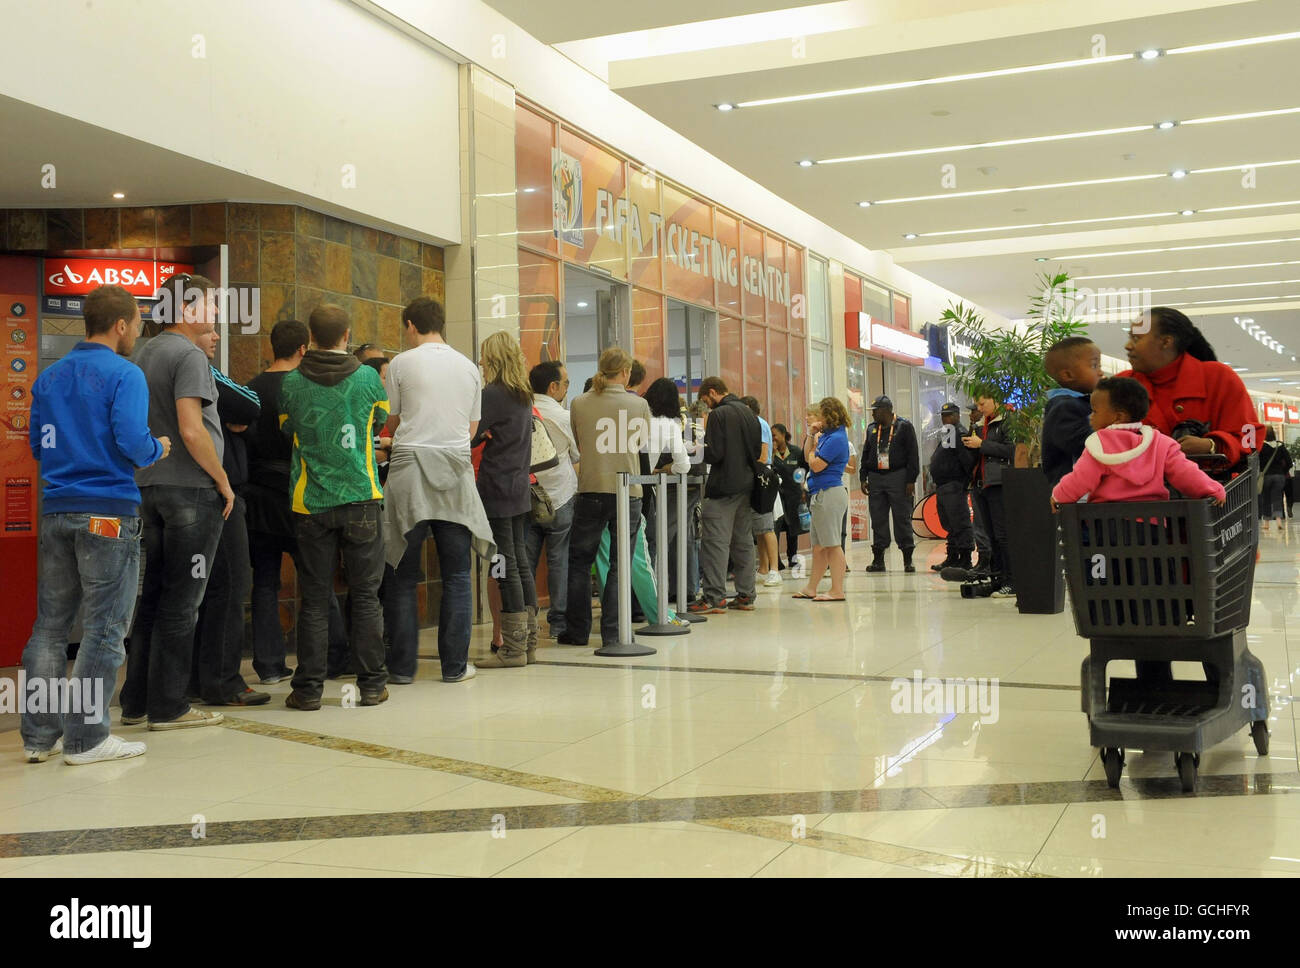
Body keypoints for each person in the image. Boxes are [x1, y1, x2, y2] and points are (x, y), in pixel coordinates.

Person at [21, 285, 170, 764]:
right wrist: (156, 450)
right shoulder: (126, 373)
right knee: (105, 627)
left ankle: (39, 738)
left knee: (50, 626)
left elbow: (39, 445)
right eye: (138, 324)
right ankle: (86, 739)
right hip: (108, 513)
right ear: (121, 324)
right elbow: (131, 439)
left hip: (56, 510)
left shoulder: (48, 377)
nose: (139, 333)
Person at [122, 273, 232, 731]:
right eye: (210, 307)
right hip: (190, 489)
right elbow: (191, 428)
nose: (216, 317)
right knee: (183, 600)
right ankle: (169, 707)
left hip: (149, 488)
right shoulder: (187, 354)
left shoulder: (143, 350)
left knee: (152, 597)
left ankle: (136, 702)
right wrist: (223, 480)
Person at [279, 304, 390, 710]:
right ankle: (373, 685)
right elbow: (378, 424)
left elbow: (287, 427)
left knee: (314, 598)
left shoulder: (292, 382)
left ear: (310, 338)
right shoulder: (367, 378)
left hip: (310, 503)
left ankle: (307, 689)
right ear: (347, 336)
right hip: (361, 496)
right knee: (365, 596)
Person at [382, 297, 493, 683]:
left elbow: (393, 422)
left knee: (401, 571)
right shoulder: (469, 368)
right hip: (454, 470)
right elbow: (472, 429)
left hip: (409, 467)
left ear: (411, 325)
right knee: (458, 574)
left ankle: (400, 669)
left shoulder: (400, 363)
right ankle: (454, 667)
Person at [244, 320, 348, 684]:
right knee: (317, 581)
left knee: (265, 582)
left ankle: (269, 666)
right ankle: (333, 657)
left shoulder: (250, 390)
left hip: (257, 497)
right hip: (299, 493)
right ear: (304, 350)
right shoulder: (304, 388)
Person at [190, 330, 269, 707]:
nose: (216, 335)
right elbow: (250, 404)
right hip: (218, 494)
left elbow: (243, 417)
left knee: (184, 592)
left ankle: (186, 681)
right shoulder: (198, 366)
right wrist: (232, 418)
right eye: (208, 327)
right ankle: (223, 680)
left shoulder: (148, 361)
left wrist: (231, 418)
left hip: (173, 491)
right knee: (231, 584)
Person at [561, 347, 652, 646]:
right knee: (619, 563)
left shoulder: (579, 402)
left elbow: (579, 441)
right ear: (625, 373)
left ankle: (576, 631)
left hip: (590, 488)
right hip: (627, 491)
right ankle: (613, 632)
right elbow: (641, 444)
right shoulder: (638, 405)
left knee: (579, 562)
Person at [595, 377, 690, 625]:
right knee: (640, 557)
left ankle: (613, 614)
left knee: (606, 555)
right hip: (639, 491)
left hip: (601, 487)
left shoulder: (623, 416)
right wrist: (662, 471)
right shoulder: (668, 425)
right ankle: (657, 614)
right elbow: (684, 465)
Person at [1119, 307, 1262, 468]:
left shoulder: (1218, 378)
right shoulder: (1122, 385)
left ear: (1166, 341)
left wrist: (1212, 445)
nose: (1128, 345)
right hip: (1137, 489)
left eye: (1136, 338)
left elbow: (1250, 436)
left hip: (1211, 488)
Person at [1051, 377, 1225, 507]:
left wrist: (1059, 496)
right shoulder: (1160, 442)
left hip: (1105, 526)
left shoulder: (1100, 445)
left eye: (1095, 411)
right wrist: (1213, 490)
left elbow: (1081, 479)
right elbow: (1186, 474)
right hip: (1153, 526)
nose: (1091, 417)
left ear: (1118, 417)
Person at [473, 331, 537, 668]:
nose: (480, 363)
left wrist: (479, 434)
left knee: (502, 564)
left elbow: (468, 433)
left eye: (484, 356)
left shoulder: (492, 394)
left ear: (494, 359)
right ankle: (528, 642)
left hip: (496, 489)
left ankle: (512, 649)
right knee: (520, 562)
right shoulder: (522, 394)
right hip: (518, 488)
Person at [689, 376, 761, 614]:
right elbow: (756, 450)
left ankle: (713, 597)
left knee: (715, 543)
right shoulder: (749, 413)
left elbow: (715, 453)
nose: (707, 405)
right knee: (743, 542)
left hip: (724, 487)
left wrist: (700, 448)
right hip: (747, 485)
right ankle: (746, 595)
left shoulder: (719, 414)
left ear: (712, 392)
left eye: (706, 400)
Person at [527, 360, 579, 639]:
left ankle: (525, 620)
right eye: (566, 383)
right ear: (553, 386)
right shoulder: (564, 417)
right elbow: (577, 454)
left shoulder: (522, 412)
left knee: (526, 561)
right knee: (560, 561)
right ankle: (558, 623)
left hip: (529, 495)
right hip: (560, 497)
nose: (567, 388)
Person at [792, 397, 851, 602]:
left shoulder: (836, 438)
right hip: (820, 494)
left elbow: (816, 465)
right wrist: (810, 437)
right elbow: (807, 455)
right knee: (819, 546)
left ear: (829, 416)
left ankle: (837, 589)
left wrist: (811, 453)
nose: (816, 419)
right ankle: (811, 587)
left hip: (829, 493)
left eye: (821, 415)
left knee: (833, 544)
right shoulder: (826, 435)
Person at [960, 394, 1016, 599]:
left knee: (1003, 535)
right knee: (990, 536)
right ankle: (997, 578)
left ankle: (1012, 581)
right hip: (981, 484)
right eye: (978, 404)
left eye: (983, 404)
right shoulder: (982, 424)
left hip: (999, 484)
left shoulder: (1009, 421)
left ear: (996, 400)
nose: (980, 408)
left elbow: (1013, 450)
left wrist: (981, 444)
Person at [860, 395, 920, 573]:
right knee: (878, 519)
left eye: (875, 411)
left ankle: (907, 560)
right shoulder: (872, 429)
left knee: (901, 518)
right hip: (876, 477)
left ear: (885, 411)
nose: (872, 415)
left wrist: (911, 480)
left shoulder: (904, 427)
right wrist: (863, 477)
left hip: (898, 476)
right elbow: (866, 454)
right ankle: (878, 560)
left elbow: (913, 455)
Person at [1042, 336, 1102, 486]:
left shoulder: (1082, 403)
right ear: (1068, 375)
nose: (1100, 372)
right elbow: (1086, 444)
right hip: (1074, 493)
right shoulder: (1063, 407)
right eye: (1094, 366)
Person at [929, 403, 977, 572]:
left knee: (959, 522)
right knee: (949, 523)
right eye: (943, 415)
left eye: (948, 415)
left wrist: (963, 481)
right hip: (943, 485)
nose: (945, 418)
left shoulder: (960, 433)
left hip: (954, 485)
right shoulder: (949, 432)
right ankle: (952, 556)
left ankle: (964, 559)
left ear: (957, 416)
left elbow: (967, 461)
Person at [742, 395, 781, 587]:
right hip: (754, 478)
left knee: (766, 526)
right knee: (758, 527)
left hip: (763, 479)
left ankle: (774, 569)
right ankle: (763, 568)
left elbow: (763, 454)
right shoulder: (752, 424)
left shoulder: (759, 424)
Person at [771, 423, 806, 574]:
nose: (773, 439)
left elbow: (803, 470)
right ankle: (776, 560)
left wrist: (803, 489)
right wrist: (771, 454)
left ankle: (793, 557)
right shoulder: (770, 454)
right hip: (777, 496)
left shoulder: (796, 452)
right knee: (775, 528)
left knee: (793, 529)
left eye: (775, 436)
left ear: (783, 435)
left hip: (793, 495)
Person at [1258, 427, 1292, 530]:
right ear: (1274, 434)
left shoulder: (1262, 446)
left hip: (1267, 476)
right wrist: (1283, 471)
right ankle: (1278, 521)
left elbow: (1258, 462)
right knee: (1278, 498)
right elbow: (1289, 462)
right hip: (1279, 476)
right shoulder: (1280, 446)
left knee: (1266, 498)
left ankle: (1267, 524)